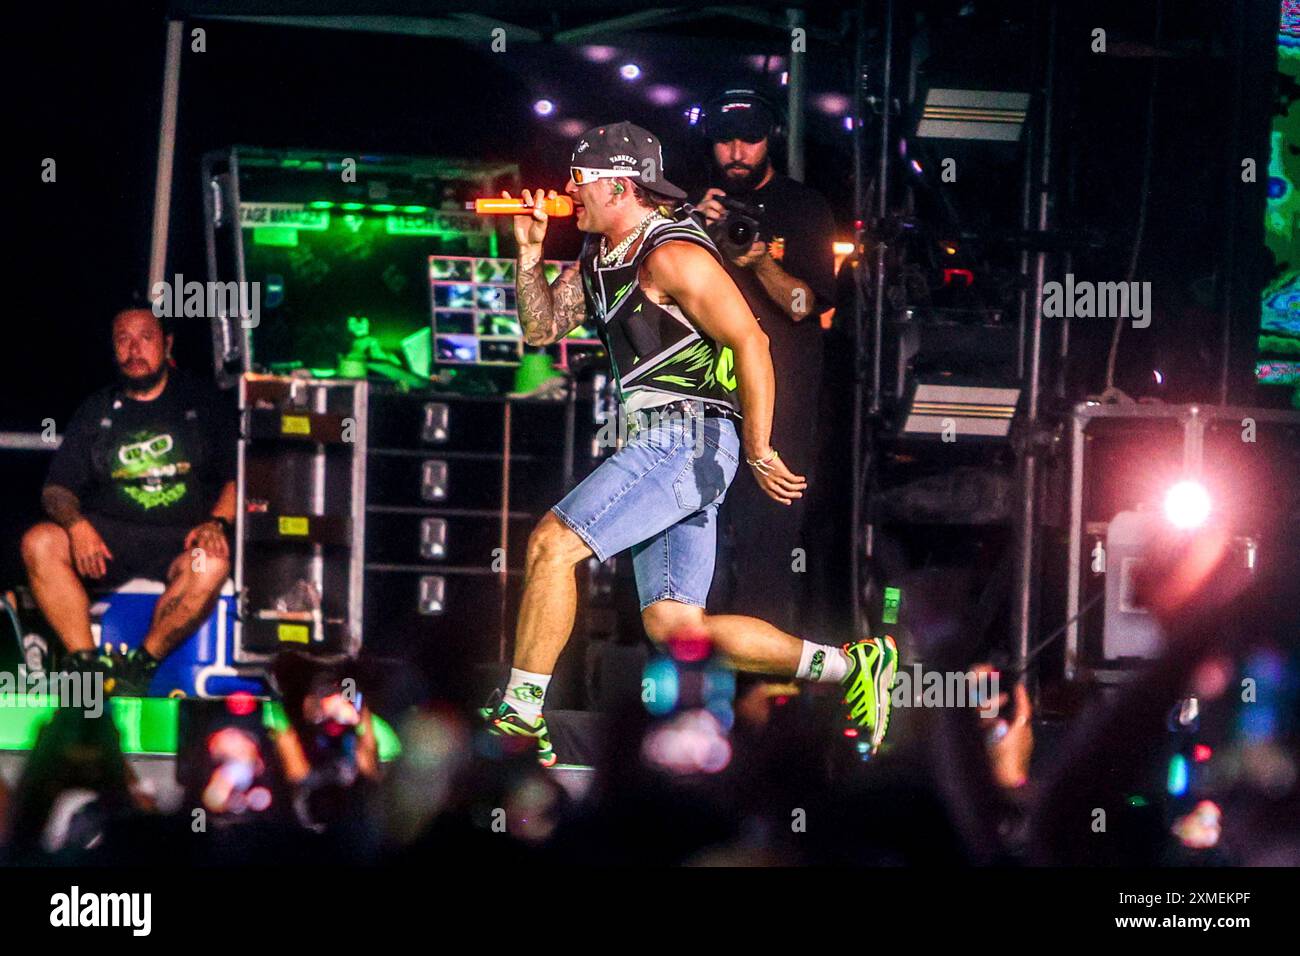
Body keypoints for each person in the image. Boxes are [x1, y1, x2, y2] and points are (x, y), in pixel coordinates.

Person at [480, 121, 897, 766]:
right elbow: (541, 329)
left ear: (620, 187)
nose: (569, 191)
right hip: (667, 440)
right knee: (677, 629)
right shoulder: (601, 256)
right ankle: (852, 667)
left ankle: (520, 714)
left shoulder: (672, 254)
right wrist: (530, 254)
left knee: (551, 545)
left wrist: (758, 447)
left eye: (581, 180)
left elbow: (752, 341)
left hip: (689, 437)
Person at [20, 307, 237, 694]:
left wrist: (216, 522)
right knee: (39, 541)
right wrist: (76, 524)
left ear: (166, 344)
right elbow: (56, 490)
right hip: (106, 546)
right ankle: (86, 669)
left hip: (181, 542)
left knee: (213, 563)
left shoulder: (201, 403)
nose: (134, 349)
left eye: (145, 338)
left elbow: (238, 478)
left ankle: (139, 667)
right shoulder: (97, 409)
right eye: (123, 339)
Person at [692, 87, 837, 638]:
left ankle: (766, 701)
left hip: (780, 415)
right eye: (725, 141)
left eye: (748, 139)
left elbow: (807, 306)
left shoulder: (804, 209)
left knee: (766, 559)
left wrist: (759, 263)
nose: (736, 152)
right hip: (704, 407)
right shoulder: (694, 212)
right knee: (692, 558)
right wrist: (692, 231)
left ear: (769, 138)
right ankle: (686, 695)